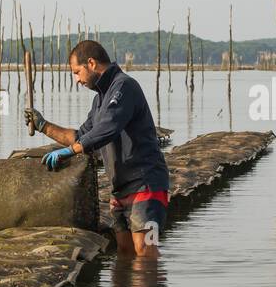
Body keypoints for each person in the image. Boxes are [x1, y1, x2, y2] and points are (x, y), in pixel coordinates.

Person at [24, 40, 169, 259]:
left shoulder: (124, 87)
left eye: (77, 72)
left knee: (145, 251)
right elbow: (81, 136)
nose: (77, 80)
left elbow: (107, 129)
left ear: (91, 63)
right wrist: (44, 126)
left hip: (146, 185)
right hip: (120, 188)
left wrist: (71, 152)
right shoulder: (100, 100)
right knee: (125, 252)